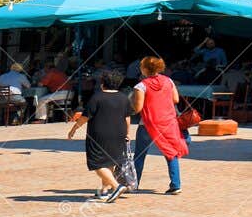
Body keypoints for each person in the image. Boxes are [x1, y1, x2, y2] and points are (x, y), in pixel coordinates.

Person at [67, 69, 131, 201]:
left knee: (96, 163)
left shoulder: (97, 97)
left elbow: (85, 117)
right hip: (119, 133)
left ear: (103, 83)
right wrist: (127, 133)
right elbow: (127, 118)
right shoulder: (124, 98)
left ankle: (116, 186)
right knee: (110, 160)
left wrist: (74, 129)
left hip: (99, 134)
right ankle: (104, 190)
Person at [130, 57, 187, 194]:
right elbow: (176, 99)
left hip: (148, 125)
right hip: (168, 123)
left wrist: (127, 108)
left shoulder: (141, 86)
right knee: (170, 153)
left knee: (139, 155)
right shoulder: (169, 81)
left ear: (144, 69)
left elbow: (137, 108)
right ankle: (176, 184)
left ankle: (134, 184)